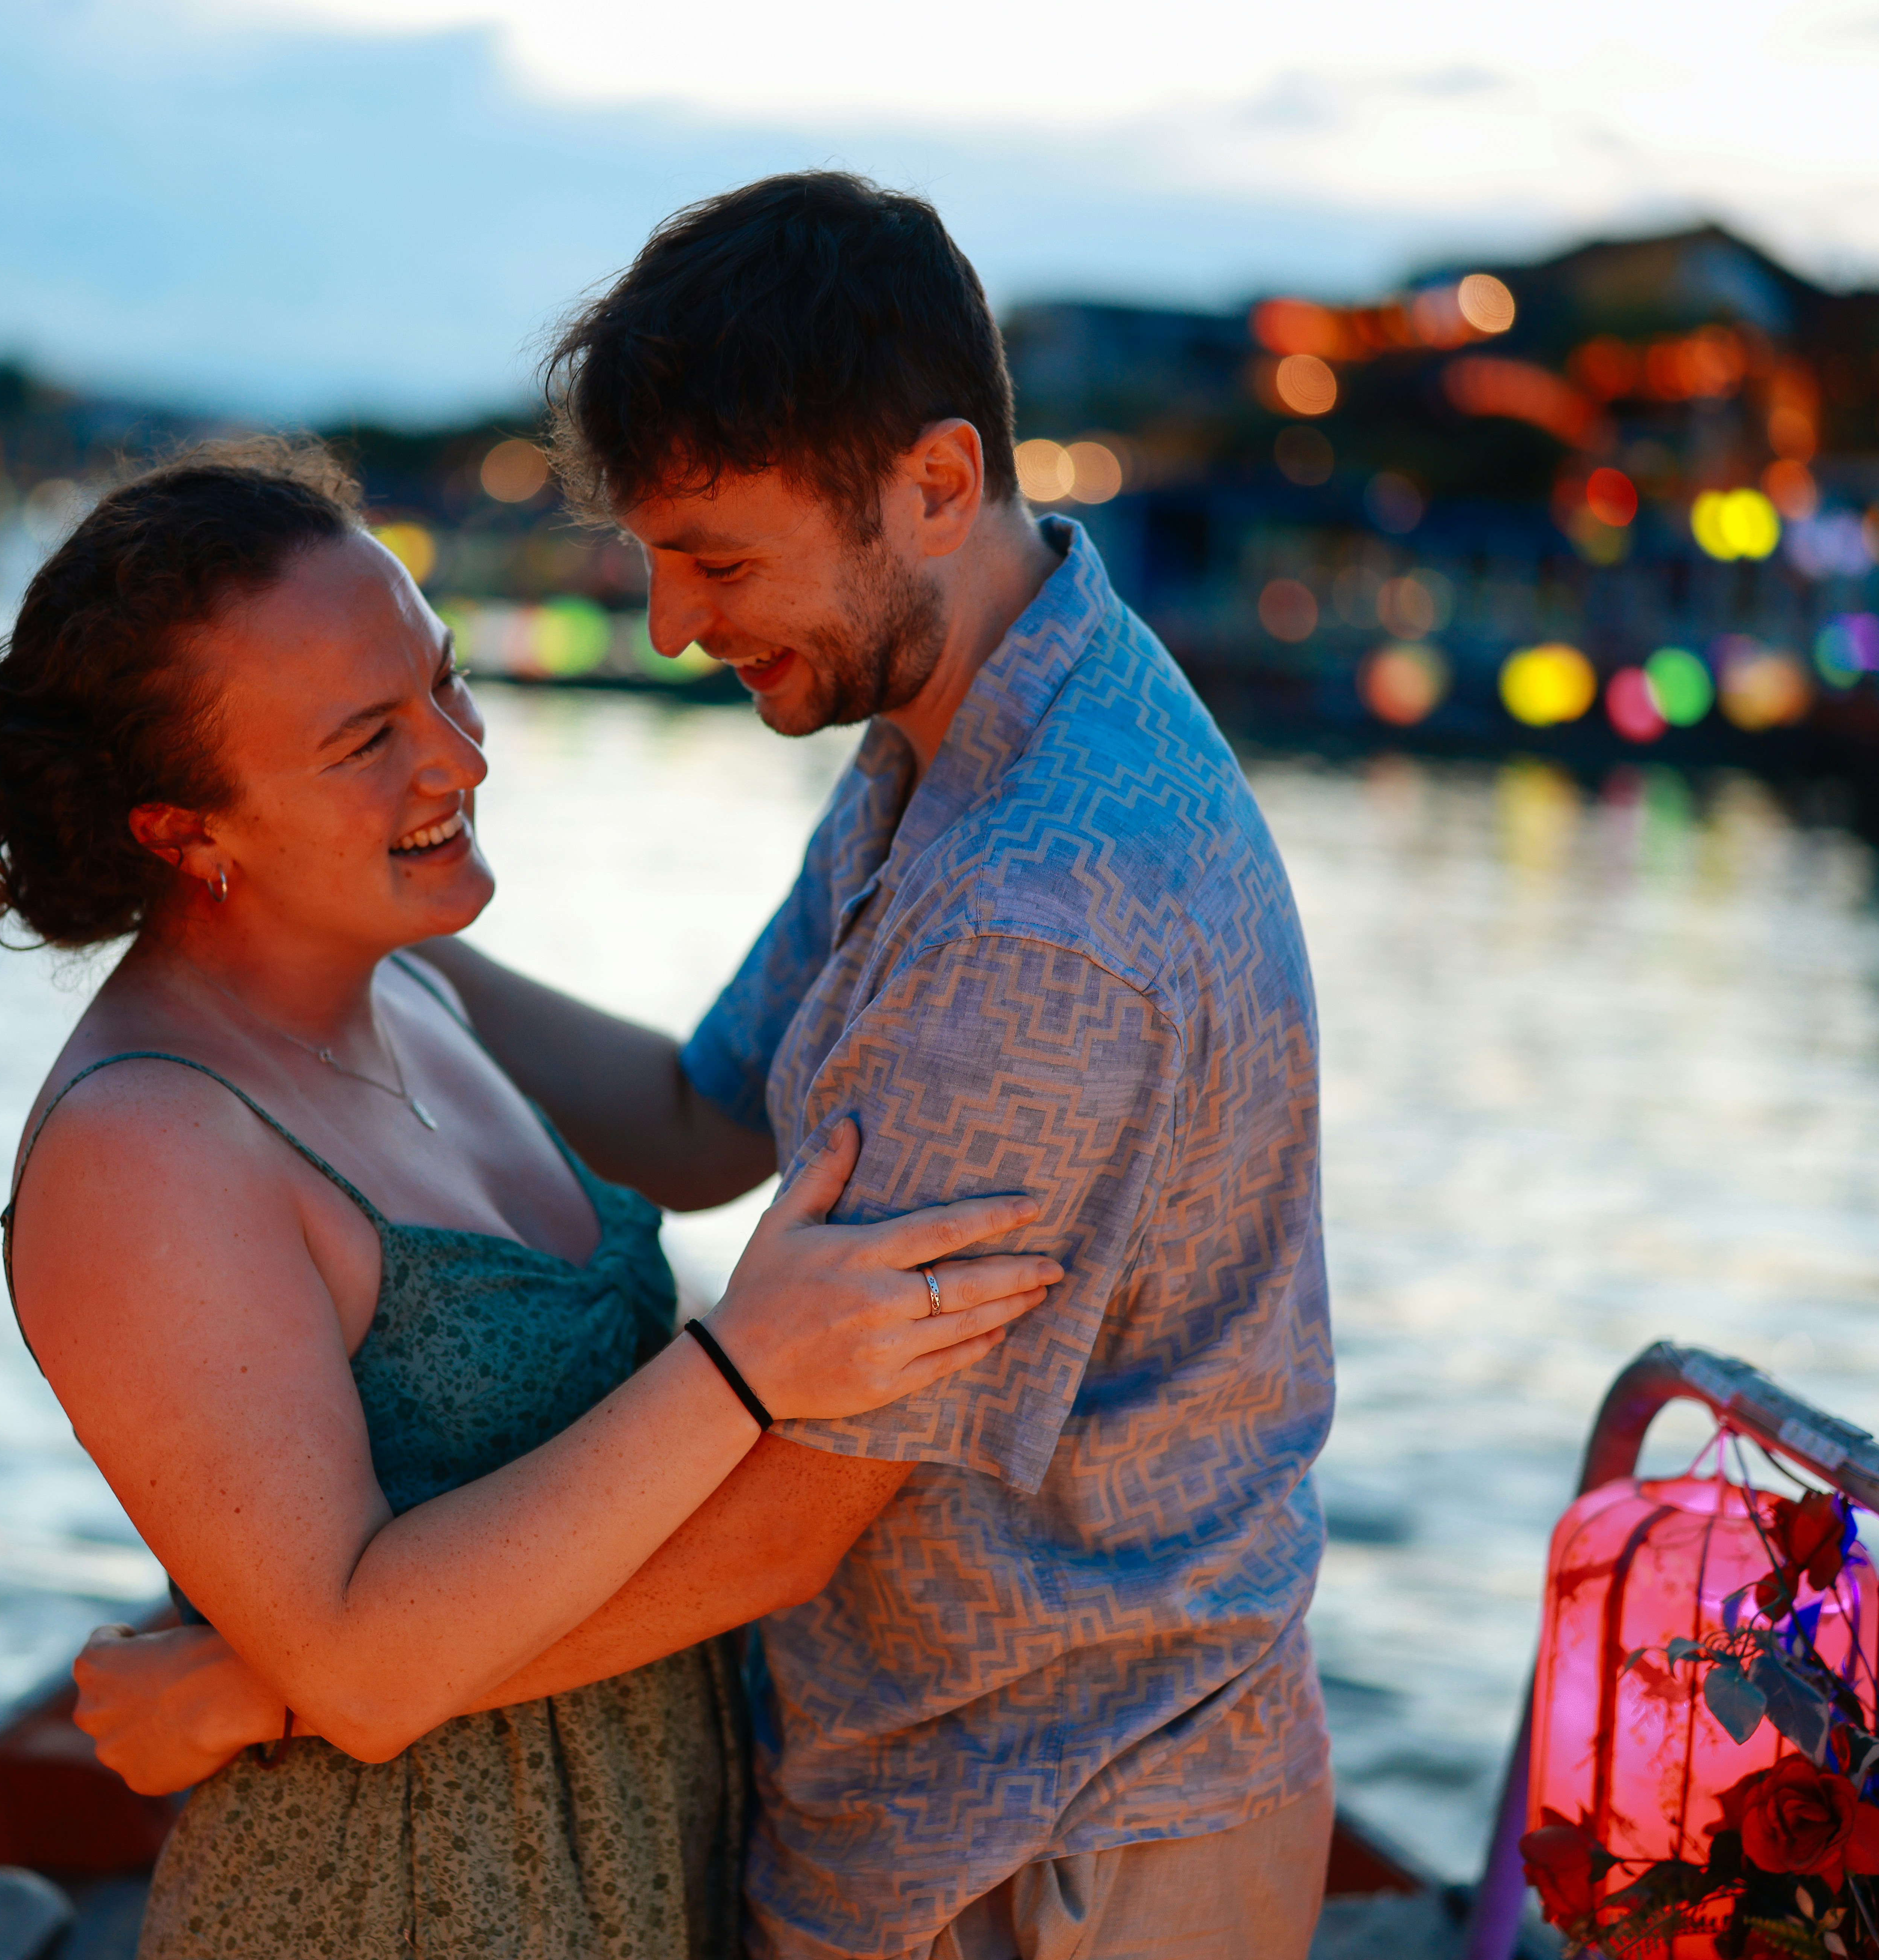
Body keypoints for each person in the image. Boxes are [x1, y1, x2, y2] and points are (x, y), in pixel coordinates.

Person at [78, 174, 1339, 1960]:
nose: (671, 622)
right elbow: (698, 1121)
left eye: (721, 560)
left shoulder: (1038, 916)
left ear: (935, 484)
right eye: (658, 554)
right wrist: (343, 891)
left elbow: (788, 1528)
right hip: (932, 1788)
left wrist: (274, 1688)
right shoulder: (959, 737)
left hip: (1050, 1841)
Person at [0, 439, 1058, 1960]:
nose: (457, 756)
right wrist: (741, 1369)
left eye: (443, 683)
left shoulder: (408, 974)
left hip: (648, 1839)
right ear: (185, 832)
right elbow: (360, 1664)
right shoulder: (150, 1150)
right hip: (386, 1903)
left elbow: (706, 1122)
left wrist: (918, 768)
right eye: (365, 739)